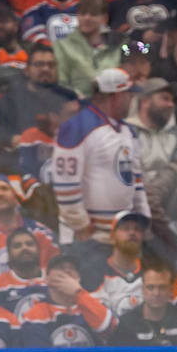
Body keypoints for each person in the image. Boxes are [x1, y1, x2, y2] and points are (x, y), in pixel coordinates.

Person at [53, 68, 151, 246]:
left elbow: (135, 180)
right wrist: (80, 224)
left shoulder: (129, 131)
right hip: (87, 237)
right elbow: (65, 183)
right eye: (128, 94)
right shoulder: (77, 127)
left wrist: (144, 216)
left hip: (121, 235)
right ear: (116, 96)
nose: (131, 100)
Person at [18, 253, 116, 347]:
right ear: (47, 279)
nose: (68, 271)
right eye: (60, 268)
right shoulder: (35, 314)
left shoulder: (93, 302)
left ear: (78, 278)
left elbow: (109, 328)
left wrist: (78, 293)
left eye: (72, 268)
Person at [113, 261, 177, 346]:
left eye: (162, 287)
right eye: (150, 287)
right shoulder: (127, 324)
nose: (156, 293)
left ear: (171, 290)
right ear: (142, 289)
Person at [53, 0, 122, 97]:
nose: (87, 18)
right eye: (82, 13)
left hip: (113, 101)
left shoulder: (119, 44)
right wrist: (79, 98)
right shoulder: (62, 45)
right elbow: (61, 83)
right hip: (78, 104)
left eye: (93, 14)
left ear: (104, 18)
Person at [0, 227, 48, 319]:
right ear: (9, 255)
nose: (24, 248)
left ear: (38, 250)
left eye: (29, 244)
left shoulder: (54, 280)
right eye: (17, 246)